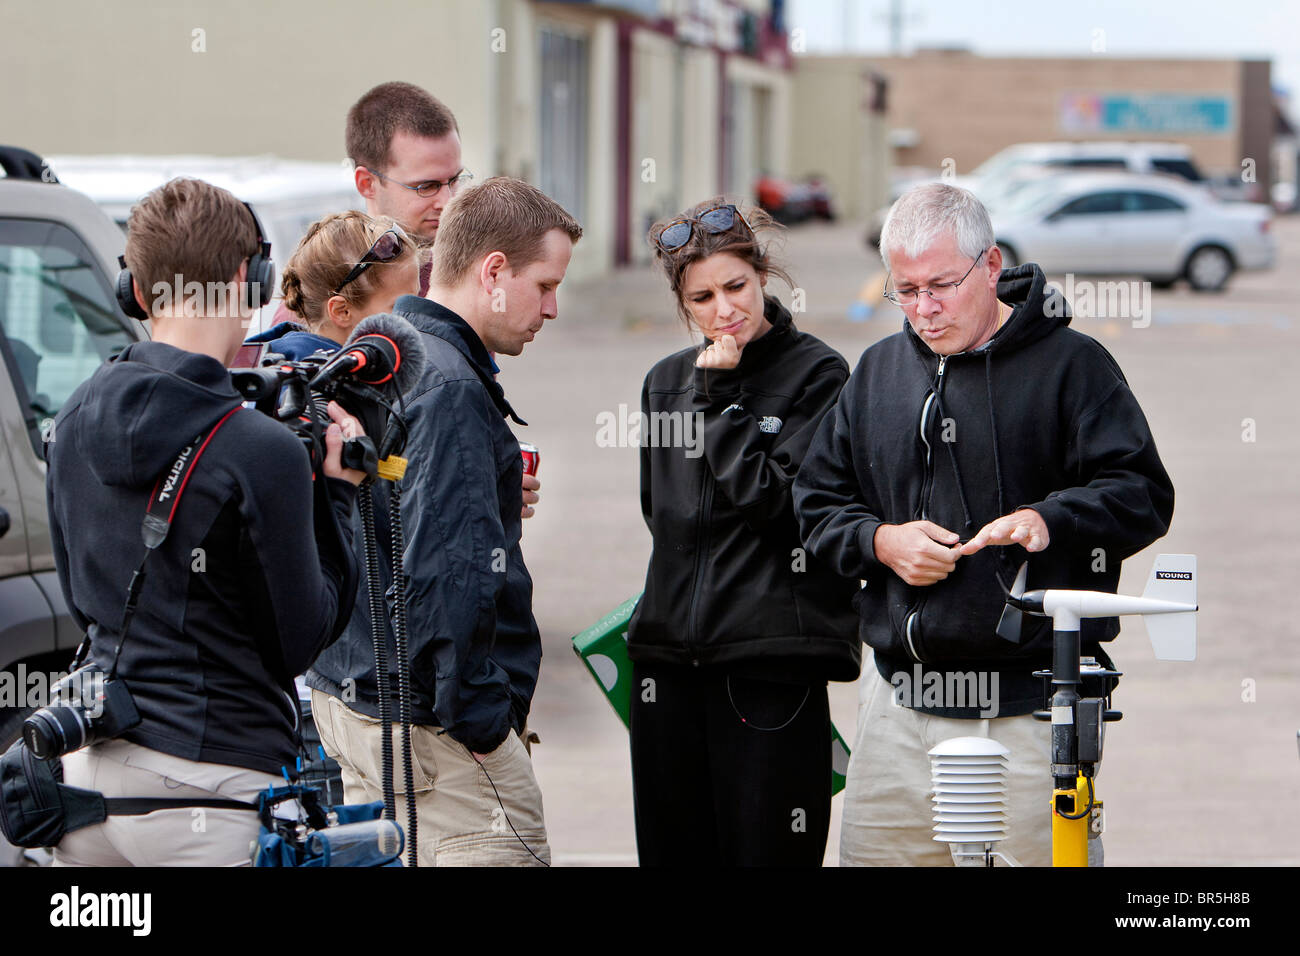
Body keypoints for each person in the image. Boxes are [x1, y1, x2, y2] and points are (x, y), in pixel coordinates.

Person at [793, 183, 1175, 867]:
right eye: (904, 290)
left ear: (992, 264)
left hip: (1029, 716)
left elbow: (1142, 493)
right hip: (896, 717)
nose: (923, 309)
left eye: (941, 284)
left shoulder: (1073, 366)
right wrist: (881, 543)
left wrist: (1047, 518)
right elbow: (817, 500)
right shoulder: (878, 371)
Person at [45, 178, 367, 866]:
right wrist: (336, 495)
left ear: (135, 289)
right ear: (245, 280)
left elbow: (82, 599)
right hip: (212, 795)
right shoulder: (261, 449)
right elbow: (299, 641)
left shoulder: (69, 420)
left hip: (90, 788)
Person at [307, 177, 582, 866]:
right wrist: (485, 727)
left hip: (351, 703)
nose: (551, 309)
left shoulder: (378, 351)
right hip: (435, 736)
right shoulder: (451, 385)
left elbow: (375, 513)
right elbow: (446, 578)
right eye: (544, 285)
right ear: (493, 270)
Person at [625, 199, 860, 866]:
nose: (724, 309)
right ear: (684, 304)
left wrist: (716, 402)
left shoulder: (818, 375)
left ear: (763, 276)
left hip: (769, 664)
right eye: (702, 297)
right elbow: (662, 516)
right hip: (667, 665)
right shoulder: (664, 383)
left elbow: (782, 509)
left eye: (736, 287)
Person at [245, 211, 420, 360]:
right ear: (341, 311)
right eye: (399, 307)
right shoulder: (312, 393)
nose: (418, 317)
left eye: (418, 299)